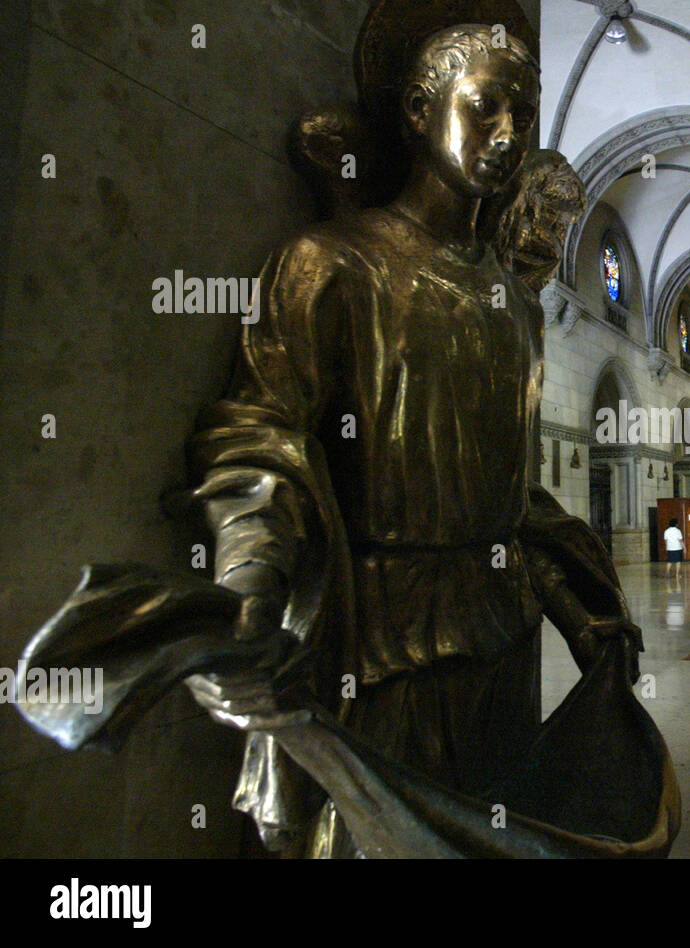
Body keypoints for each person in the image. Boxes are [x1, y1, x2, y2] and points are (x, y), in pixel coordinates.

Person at [182, 22, 646, 856]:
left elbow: (516, 501)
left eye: (525, 117)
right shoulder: (330, 263)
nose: (507, 134)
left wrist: (581, 614)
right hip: (378, 650)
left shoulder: (519, 307)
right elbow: (258, 434)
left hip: (500, 648)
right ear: (419, 110)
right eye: (485, 107)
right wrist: (250, 580)